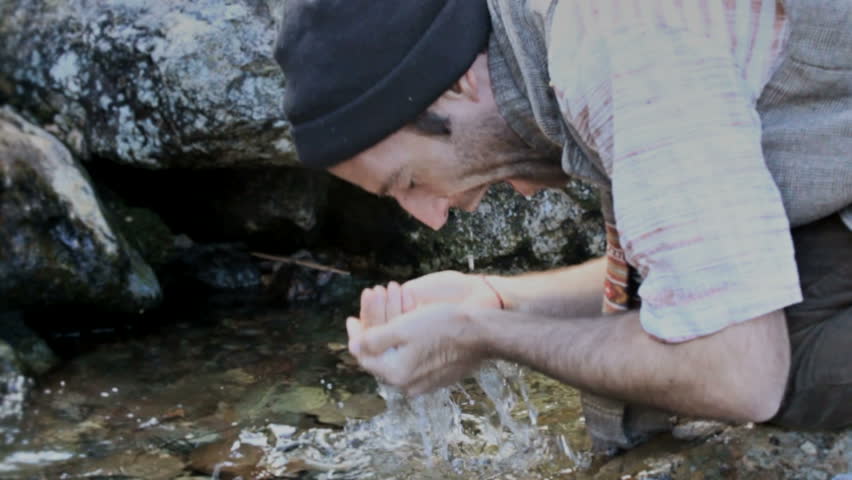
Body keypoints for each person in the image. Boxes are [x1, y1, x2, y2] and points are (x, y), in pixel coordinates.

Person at [274, 0, 852, 450]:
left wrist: (484, 336)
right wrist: (495, 299)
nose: (432, 215)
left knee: (785, 370)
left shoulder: (613, 40)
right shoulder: (552, 37)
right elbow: (677, 279)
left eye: (407, 182)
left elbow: (738, 371)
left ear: (456, 85)